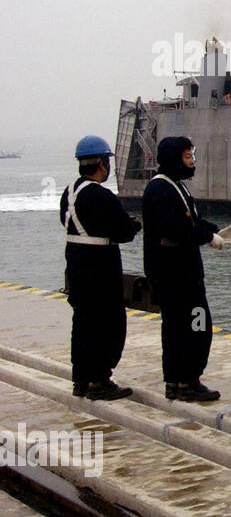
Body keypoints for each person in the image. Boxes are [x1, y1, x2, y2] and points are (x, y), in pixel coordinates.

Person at [142, 136, 231, 402]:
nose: (192, 162)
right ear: (174, 159)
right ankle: (186, 380)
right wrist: (208, 238)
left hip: (184, 272)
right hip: (174, 274)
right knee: (194, 324)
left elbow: (193, 220)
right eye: (188, 157)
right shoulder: (160, 189)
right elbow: (174, 227)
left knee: (182, 326)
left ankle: (180, 380)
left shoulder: (177, 187)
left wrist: (212, 230)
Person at [60, 135, 140, 400]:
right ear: (102, 164)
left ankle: (81, 380)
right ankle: (100, 381)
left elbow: (66, 222)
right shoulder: (102, 195)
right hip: (99, 266)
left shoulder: (69, 192)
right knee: (107, 322)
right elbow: (123, 231)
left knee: (82, 322)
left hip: (75, 263)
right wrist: (134, 225)